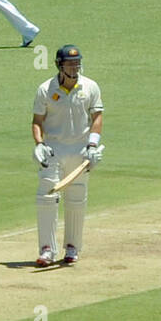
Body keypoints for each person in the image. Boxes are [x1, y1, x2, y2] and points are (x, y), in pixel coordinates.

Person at [31, 45, 103, 267]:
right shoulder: (46, 89)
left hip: (80, 150)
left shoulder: (90, 86)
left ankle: (72, 247)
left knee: (76, 198)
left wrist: (93, 145)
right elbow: (37, 121)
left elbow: (97, 116)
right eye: (70, 63)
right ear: (59, 65)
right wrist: (40, 144)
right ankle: (47, 250)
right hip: (53, 150)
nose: (74, 67)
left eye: (76, 63)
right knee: (46, 197)